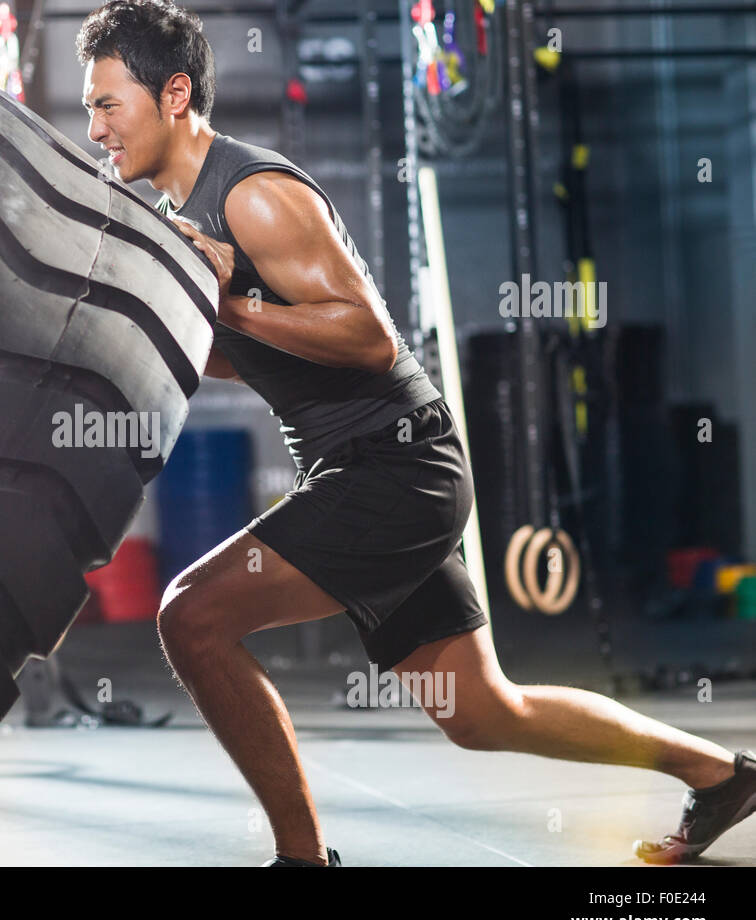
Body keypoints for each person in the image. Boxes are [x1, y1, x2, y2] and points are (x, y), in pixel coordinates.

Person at [75, 0, 756, 867]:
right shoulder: (190, 216)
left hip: (394, 470)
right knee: (482, 714)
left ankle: (301, 858)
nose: (95, 128)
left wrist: (232, 304)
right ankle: (720, 773)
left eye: (106, 104)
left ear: (174, 95)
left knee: (191, 619)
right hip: (378, 469)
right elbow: (259, 359)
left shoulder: (252, 196)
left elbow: (368, 337)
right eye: (91, 107)